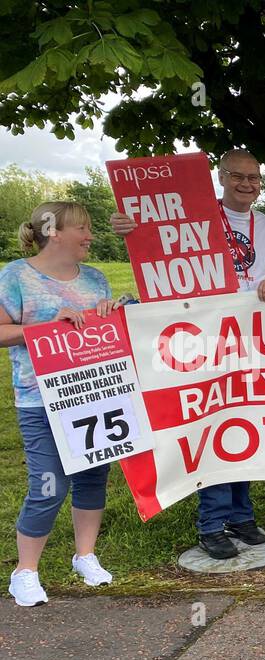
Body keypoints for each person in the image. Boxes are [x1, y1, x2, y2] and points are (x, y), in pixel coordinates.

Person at [111, 149, 265, 559]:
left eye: (255, 178)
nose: (247, 184)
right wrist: (126, 226)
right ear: (221, 177)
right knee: (212, 426)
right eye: (238, 176)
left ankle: (240, 515)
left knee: (245, 425)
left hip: (249, 342)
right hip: (199, 342)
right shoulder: (191, 217)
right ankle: (211, 523)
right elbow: (151, 240)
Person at [1, 202, 124, 606]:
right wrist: (46, 328)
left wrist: (109, 313)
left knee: (93, 477)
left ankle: (85, 556)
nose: (91, 235)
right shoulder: (15, 276)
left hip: (94, 393)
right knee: (48, 484)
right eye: (84, 228)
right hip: (39, 400)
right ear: (54, 231)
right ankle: (25, 572)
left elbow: (101, 329)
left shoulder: (95, 278)